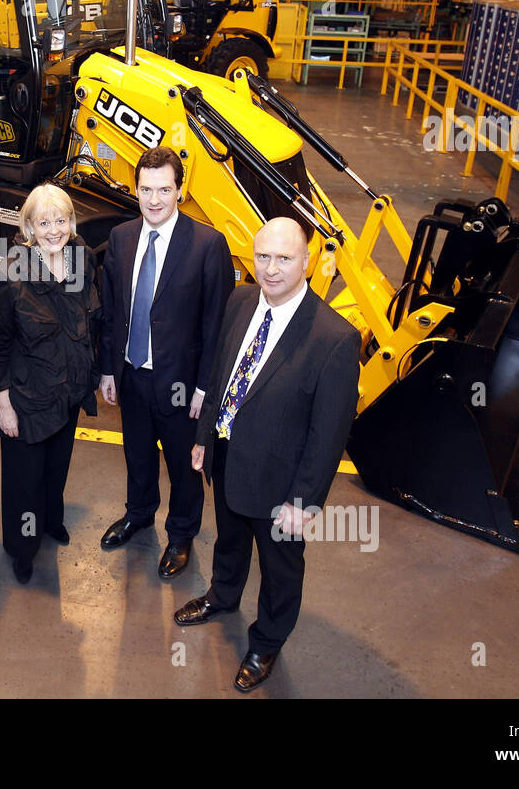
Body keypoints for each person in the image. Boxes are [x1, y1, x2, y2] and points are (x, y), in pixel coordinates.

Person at [173, 217, 360, 693]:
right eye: (262, 257)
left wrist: (305, 501)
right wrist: (202, 437)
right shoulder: (241, 301)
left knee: (280, 568)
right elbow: (220, 375)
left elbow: (328, 434)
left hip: (282, 485)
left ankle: (266, 641)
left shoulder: (334, 339)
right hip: (228, 455)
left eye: (284, 258)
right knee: (229, 538)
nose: (271, 269)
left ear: (308, 261)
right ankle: (224, 594)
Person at [98, 146, 234, 578]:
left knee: (183, 466)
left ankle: (180, 536)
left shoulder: (208, 245)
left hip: (180, 384)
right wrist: (107, 368)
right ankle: (138, 514)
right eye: (145, 190)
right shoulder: (121, 238)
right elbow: (111, 311)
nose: (154, 200)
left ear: (180, 190)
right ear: (135, 189)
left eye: (163, 190)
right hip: (132, 374)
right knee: (136, 454)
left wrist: (203, 390)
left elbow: (217, 326)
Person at [0, 185, 100, 584]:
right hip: (26, 397)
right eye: (44, 222)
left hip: (66, 391)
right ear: (28, 225)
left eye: (60, 220)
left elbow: (89, 319)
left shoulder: (81, 257)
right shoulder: (10, 273)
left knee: (56, 468)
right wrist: (5, 406)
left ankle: (50, 523)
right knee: (23, 481)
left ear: (71, 222)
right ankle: (22, 547)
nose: (53, 230)